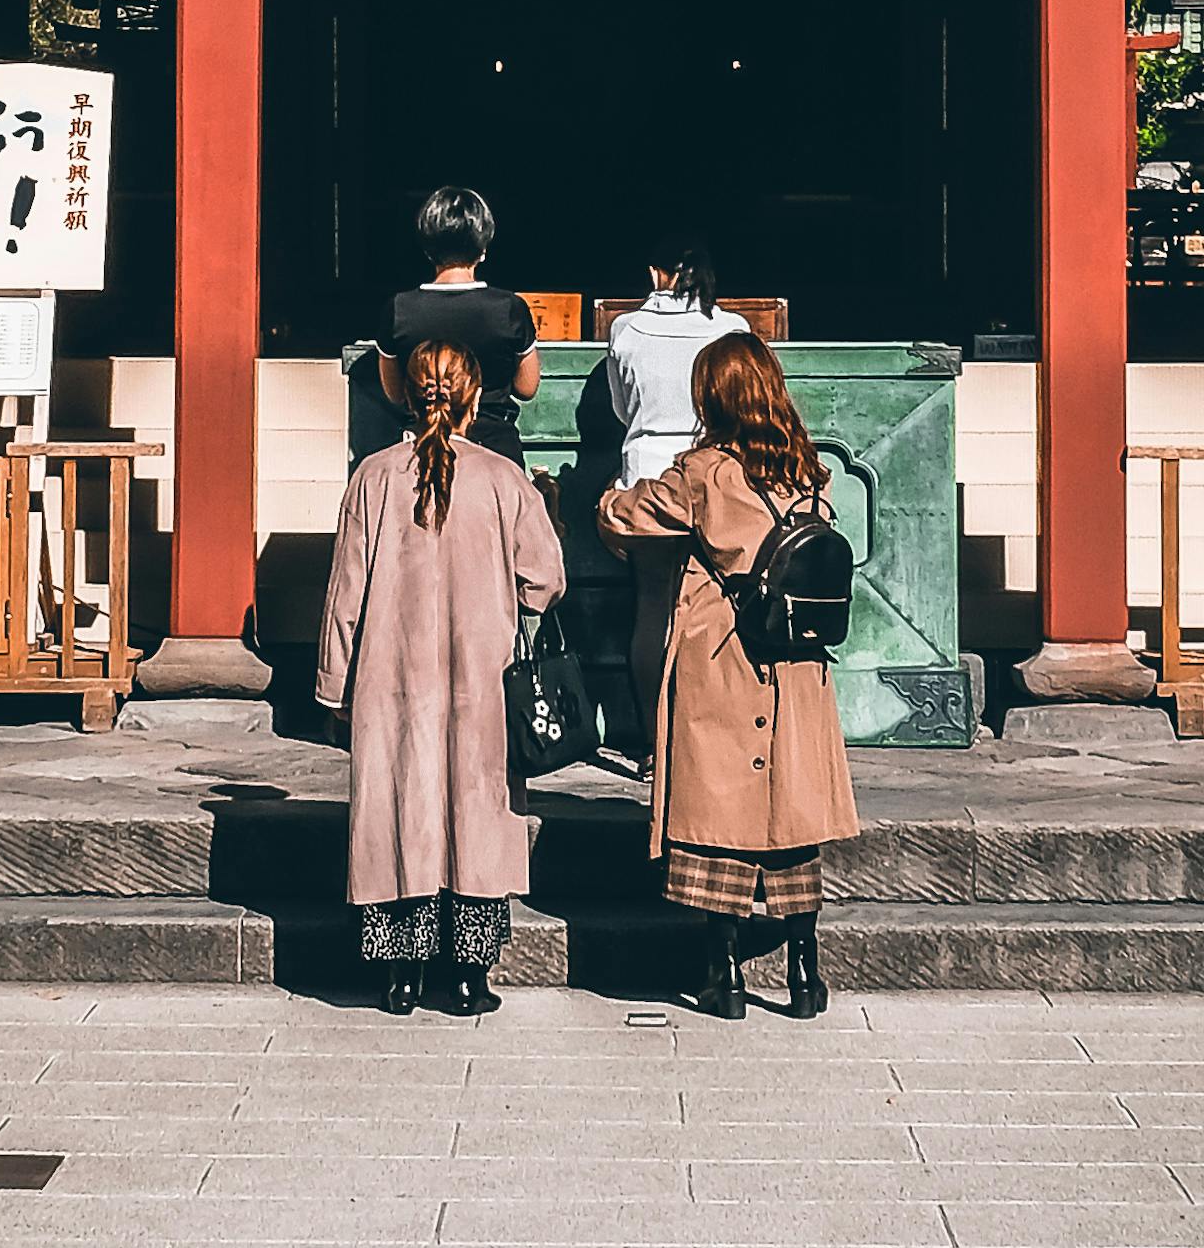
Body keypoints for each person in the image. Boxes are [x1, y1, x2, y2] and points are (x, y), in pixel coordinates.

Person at [600, 331, 857, 1021]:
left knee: (719, 816)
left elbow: (626, 516)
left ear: (710, 398)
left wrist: (601, 499)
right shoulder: (810, 472)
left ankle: (725, 976)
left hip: (724, 654)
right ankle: (804, 975)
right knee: (790, 818)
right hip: (798, 664)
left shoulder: (703, 473)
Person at [314, 329, 569, 1016]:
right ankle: (468, 978)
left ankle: (401, 976)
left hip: (390, 681)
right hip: (481, 683)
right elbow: (545, 581)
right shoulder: (502, 478)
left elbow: (344, 596)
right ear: (474, 398)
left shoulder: (373, 477)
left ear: (406, 396)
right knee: (476, 818)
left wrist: (334, 687)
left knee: (400, 816)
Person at [594, 243, 745, 750]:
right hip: (716, 479)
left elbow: (622, 410)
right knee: (718, 608)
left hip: (649, 482)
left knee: (652, 605)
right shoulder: (733, 329)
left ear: (654, 271)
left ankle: (653, 743)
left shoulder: (625, 329)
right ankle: (707, 739)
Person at [379, 182, 544, 466]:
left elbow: (395, 393)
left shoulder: (399, 309)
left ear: (427, 248)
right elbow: (527, 388)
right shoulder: (509, 308)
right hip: (495, 448)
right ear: (483, 248)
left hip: (419, 448)